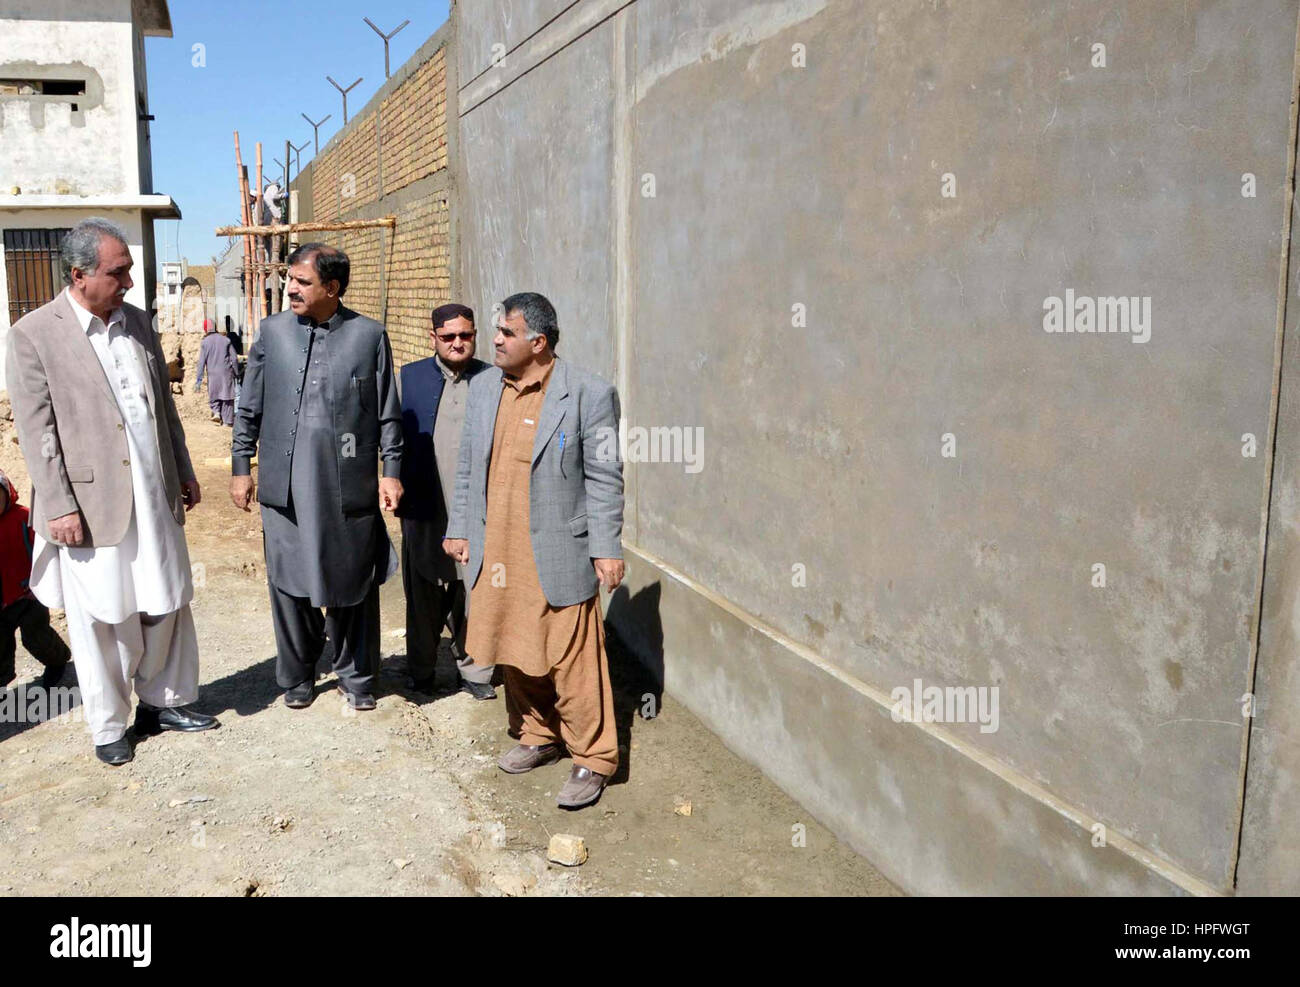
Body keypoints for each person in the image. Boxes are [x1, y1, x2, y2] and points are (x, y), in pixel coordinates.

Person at [4, 218, 219, 766]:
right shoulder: (34, 335)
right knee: (104, 615)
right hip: (89, 505)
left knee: (166, 600)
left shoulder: (139, 324)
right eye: (117, 272)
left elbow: (163, 408)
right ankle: (107, 726)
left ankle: (164, 702)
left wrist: (185, 470)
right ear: (79, 276)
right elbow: (37, 431)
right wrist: (58, 506)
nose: (127, 282)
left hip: (154, 491)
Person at [445, 292, 624, 809]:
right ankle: (537, 734)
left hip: (557, 547)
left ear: (538, 342)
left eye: (506, 332)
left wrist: (606, 547)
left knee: (573, 656)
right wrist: (459, 527)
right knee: (510, 642)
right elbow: (465, 468)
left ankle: (593, 757)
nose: (494, 339)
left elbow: (606, 478)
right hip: (494, 543)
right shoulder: (483, 389)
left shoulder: (588, 393)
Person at [231, 243, 403, 711]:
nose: (289, 288)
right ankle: (298, 675)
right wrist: (240, 467)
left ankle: (358, 677)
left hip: (348, 488)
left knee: (353, 583)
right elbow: (249, 407)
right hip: (284, 486)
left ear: (332, 287)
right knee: (289, 583)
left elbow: (388, 413)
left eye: (302, 282)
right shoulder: (273, 332)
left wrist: (391, 472)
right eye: (289, 279)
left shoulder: (368, 336)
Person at [398, 303, 494, 700]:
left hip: (477, 507)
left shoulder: (493, 379)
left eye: (465, 336)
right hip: (424, 503)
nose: (458, 343)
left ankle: (476, 671)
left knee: (474, 588)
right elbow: (388, 435)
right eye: (449, 336)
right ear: (432, 336)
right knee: (423, 587)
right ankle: (421, 672)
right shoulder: (409, 378)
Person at [0, 468, 70, 689]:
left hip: (30, 594)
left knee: (36, 637)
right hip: (1, 603)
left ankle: (57, 661)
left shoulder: (24, 517)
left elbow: (43, 550)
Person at [195, 318, 239, 426]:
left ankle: (216, 413)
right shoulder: (226, 340)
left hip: (212, 374)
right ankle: (227, 422)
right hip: (226, 373)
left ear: (205, 329)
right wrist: (237, 373)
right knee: (227, 397)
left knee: (214, 395)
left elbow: (201, 362)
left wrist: (199, 380)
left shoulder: (205, 343)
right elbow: (234, 359)